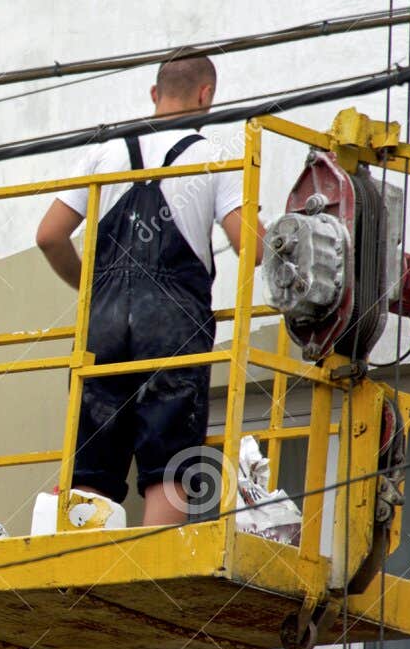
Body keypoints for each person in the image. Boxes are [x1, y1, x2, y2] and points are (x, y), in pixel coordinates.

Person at [34, 55, 263, 526]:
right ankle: (153, 567)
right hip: (172, 325)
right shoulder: (217, 157)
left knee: (93, 461)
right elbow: (251, 249)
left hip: (103, 324)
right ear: (206, 95)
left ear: (154, 95)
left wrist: (92, 291)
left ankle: (80, 564)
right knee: (169, 460)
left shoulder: (104, 151)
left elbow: (49, 236)